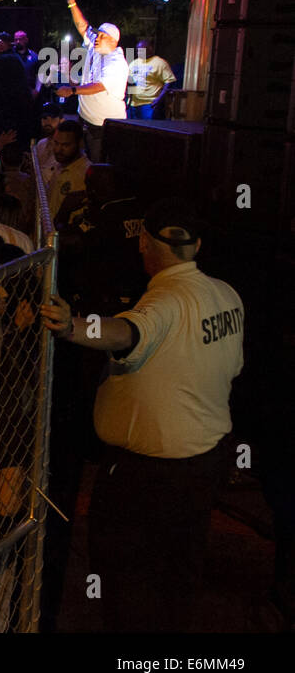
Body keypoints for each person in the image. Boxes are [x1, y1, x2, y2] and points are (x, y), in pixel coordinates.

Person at [39, 198, 242, 631]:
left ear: (145, 243)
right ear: (198, 245)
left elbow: (125, 331)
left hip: (149, 479)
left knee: (128, 583)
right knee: (179, 573)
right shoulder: (227, 295)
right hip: (206, 463)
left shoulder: (165, 304)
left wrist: (71, 325)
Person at [57, 0, 127, 162]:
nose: (97, 38)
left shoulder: (116, 62)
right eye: (97, 34)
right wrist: (72, 3)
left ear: (113, 42)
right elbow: (82, 26)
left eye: (103, 36)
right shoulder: (95, 47)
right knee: (81, 163)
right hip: (85, 120)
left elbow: (99, 86)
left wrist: (72, 91)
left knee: (98, 166)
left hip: (104, 127)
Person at [42, 120, 89, 220]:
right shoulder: (58, 166)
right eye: (56, 143)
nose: (58, 150)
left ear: (80, 143)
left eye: (65, 145)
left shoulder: (86, 174)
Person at [126, 38, 176, 119]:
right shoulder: (134, 63)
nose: (139, 52)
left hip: (149, 104)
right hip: (133, 104)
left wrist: (159, 99)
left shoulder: (160, 63)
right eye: (138, 50)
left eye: (142, 50)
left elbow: (170, 81)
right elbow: (129, 81)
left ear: (150, 49)